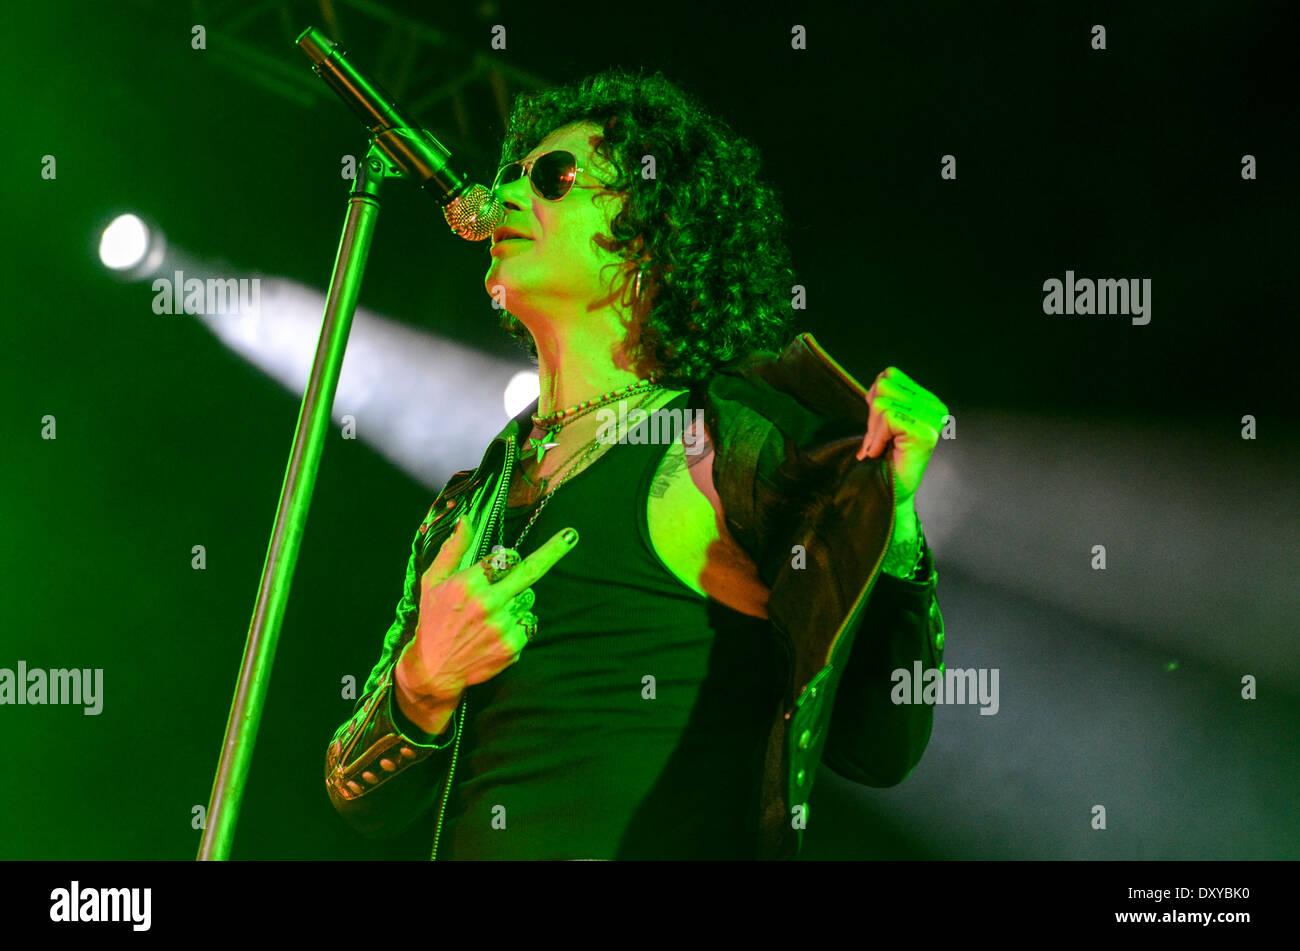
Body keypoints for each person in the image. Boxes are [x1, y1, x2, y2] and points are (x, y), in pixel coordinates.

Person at [324, 68, 949, 860]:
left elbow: (879, 746)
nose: (510, 194)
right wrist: (421, 683)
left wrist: (891, 523)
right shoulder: (466, 505)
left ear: (655, 236)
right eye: (509, 175)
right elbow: (359, 797)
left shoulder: (728, 451)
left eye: (554, 178)